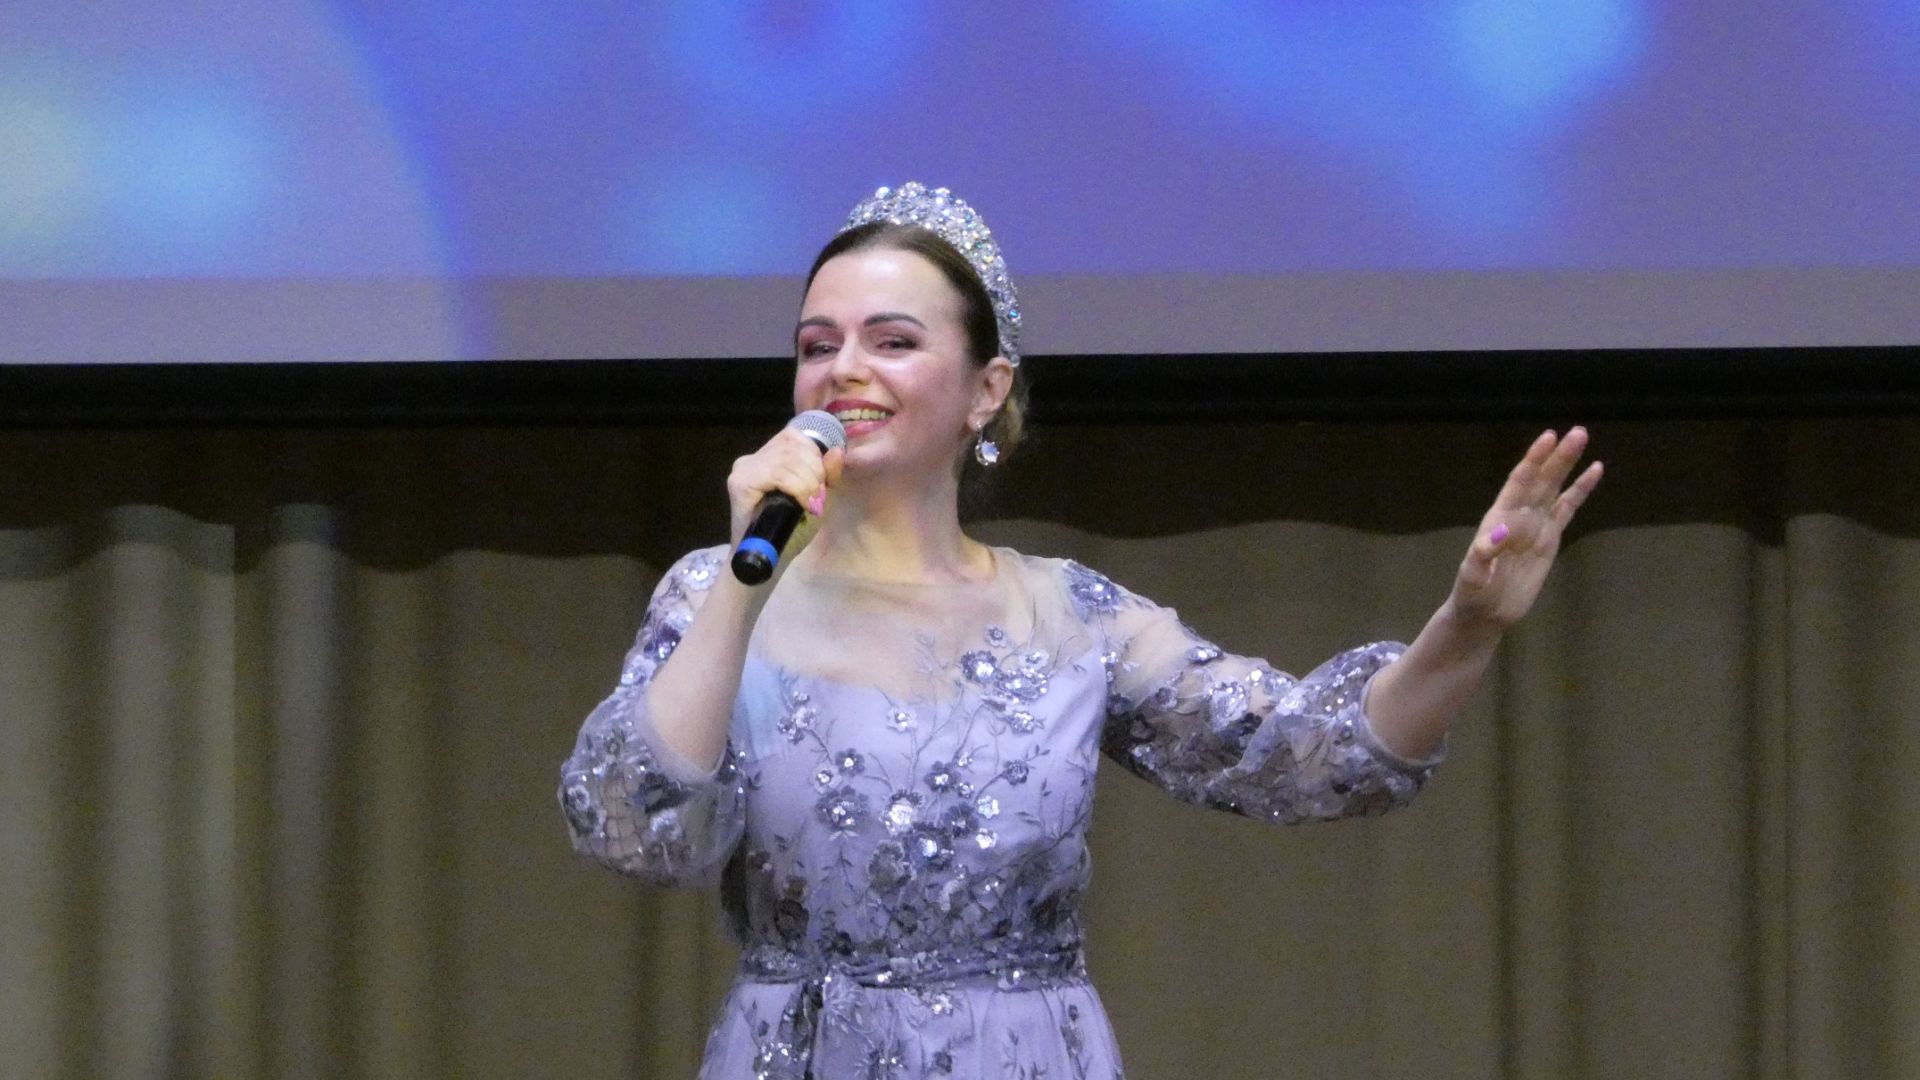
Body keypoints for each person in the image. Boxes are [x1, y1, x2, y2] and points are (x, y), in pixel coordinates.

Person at [558, 182, 1603, 1079]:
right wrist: (744, 580)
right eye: (817, 346)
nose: (845, 370)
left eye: (893, 342)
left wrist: (1465, 626)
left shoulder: (1070, 618)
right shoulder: (717, 591)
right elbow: (628, 829)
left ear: (987, 390)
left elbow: (1307, 755)